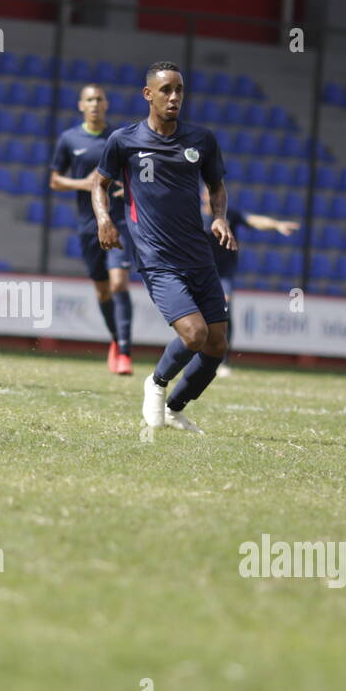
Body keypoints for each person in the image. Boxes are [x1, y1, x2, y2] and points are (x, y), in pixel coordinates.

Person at [93, 61, 235, 434]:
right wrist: (105, 220)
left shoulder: (200, 140)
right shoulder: (124, 140)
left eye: (179, 90)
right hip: (157, 258)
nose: (174, 97)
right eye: (166, 90)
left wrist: (220, 217)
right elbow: (99, 184)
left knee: (217, 345)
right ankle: (155, 383)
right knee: (194, 334)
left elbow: (216, 186)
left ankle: (174, 408)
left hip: (199, 255)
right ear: (148, 94)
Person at [50, 84, 134, 374]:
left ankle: (124, 351)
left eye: (99, 99)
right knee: (102, 291)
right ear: (80, 106)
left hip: (119, 221)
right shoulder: (69, 139)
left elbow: (133, 174)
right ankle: (115, 339)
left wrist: (129, 188)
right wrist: (85, 184)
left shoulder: (119, 139)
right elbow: (55, 181)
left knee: (119, 283)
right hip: (88, 225)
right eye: (89, 100)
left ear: (106, 104)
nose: (95, 104)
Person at [204, 206, 298, 376]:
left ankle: (222, 360)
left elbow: (253, 220)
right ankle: (197, 356)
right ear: (203, 198)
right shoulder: (195, 215)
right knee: (198, 317)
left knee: (224, 311)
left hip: (223, 274)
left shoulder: (229, 215)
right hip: (201, 272)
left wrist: (276, 225)